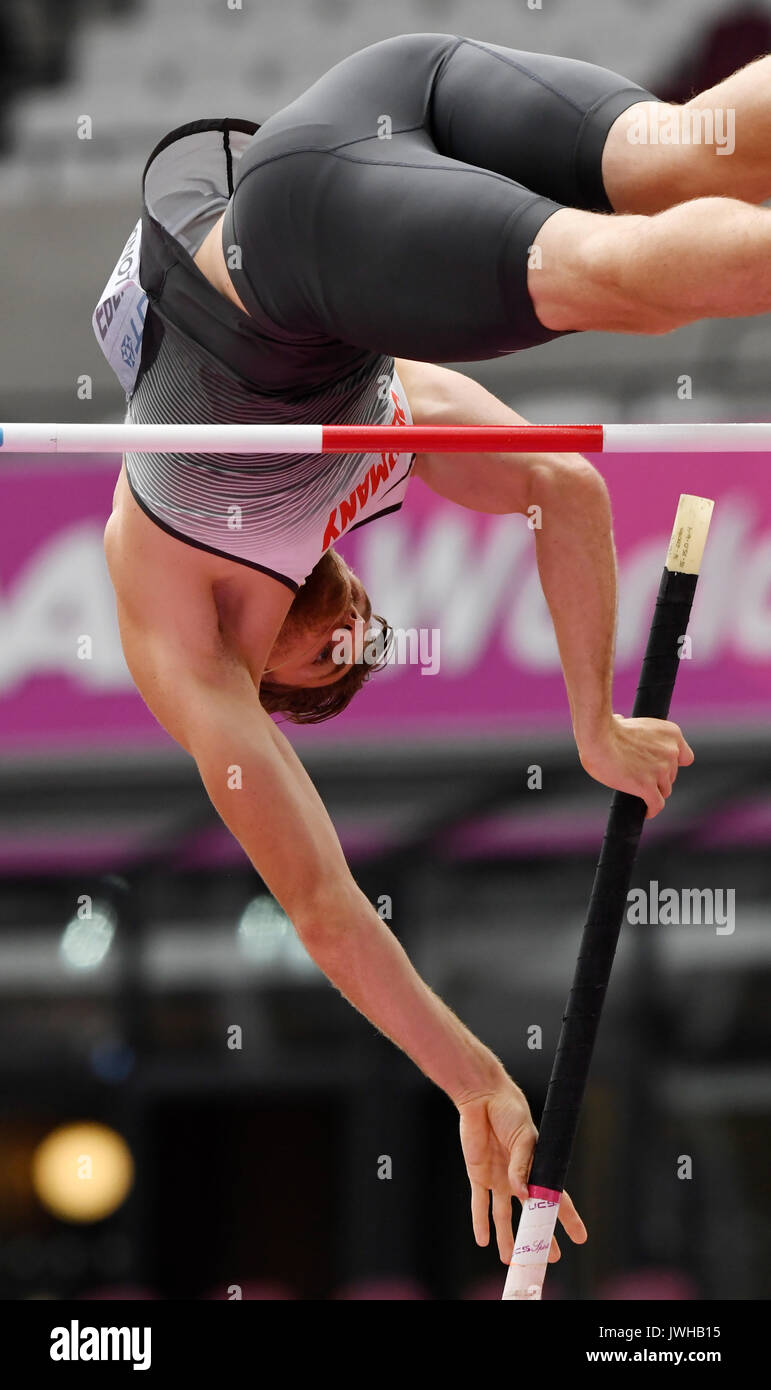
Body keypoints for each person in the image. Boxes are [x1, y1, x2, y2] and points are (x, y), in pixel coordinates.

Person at [98, 33, 769, 1266]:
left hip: (290, 227)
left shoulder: (184, 638)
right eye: (357, 655)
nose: (344, 644)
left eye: (329, 667)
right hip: (384, 101)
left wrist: (469, 1082)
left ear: (275, 688)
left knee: (627, 277)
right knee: (681, 153)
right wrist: (598, 721)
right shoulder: (393, 434)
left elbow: (323, 908)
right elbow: (564, 491)